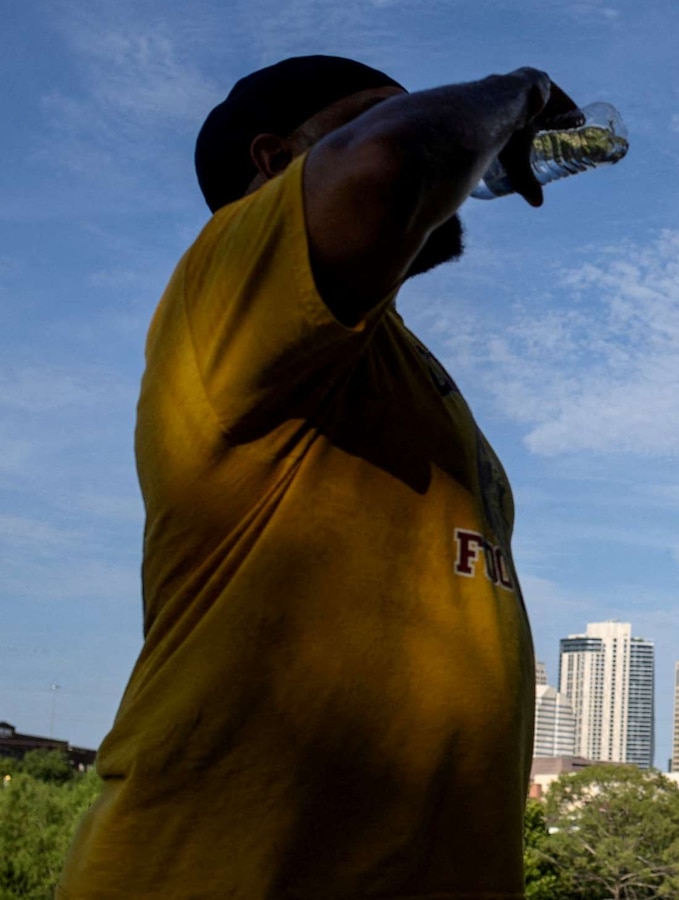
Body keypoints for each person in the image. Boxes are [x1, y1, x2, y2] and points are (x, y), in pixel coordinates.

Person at [57, 57, 579, 898]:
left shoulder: (390, 367)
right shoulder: (227, 274)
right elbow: (386, 164)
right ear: (273, 162)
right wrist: (518, 94)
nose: (456, 145)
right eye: (380, 111)